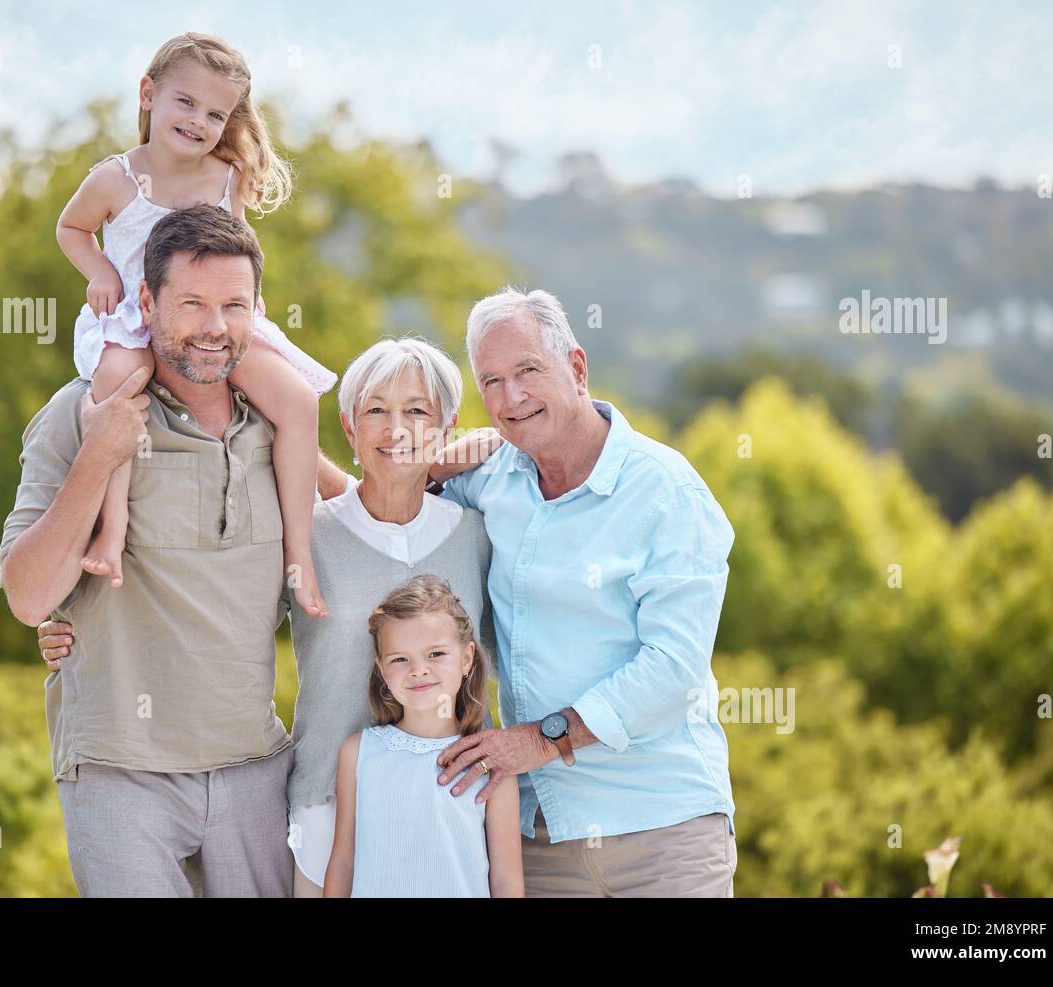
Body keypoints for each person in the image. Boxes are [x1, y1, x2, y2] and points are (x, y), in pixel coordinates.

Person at [37, 336, 505, 896]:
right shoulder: (308, 533)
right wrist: (81, 628)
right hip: (325, 805)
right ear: (349, 430)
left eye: (417, 411)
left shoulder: (477, 534)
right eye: (375, 410)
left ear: (447, 425)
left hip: (448, 800)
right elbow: (206, 599)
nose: (396, 427)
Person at [317, 286, 740, 897]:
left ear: (576, 368)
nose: (511, 397)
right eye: (491, 381)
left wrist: (539, 739)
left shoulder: (666, 491)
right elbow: (380, 512)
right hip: (536, 838)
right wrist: (429, 463)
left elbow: (673, 669)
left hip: (660, 829)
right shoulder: (488, 481)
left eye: (528, 371)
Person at [1, 204, 295, 896]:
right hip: (118, 770)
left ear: (259, 310)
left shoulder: (278, 428)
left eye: (233, 305)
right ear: (144, 301)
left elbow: (365, 511)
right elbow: (26, 594)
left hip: (255, 768)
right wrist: (99, 456)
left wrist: (454, 458)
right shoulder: (79, 413)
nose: (214, 327)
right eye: (190, 303)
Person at [57, 31, 333, 616]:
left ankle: (300, 554)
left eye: (216, 113)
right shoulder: (116, 178)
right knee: (114, 392)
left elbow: (241, 248)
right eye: (186, 102)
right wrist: (101, 271)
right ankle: (112, 529)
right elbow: (71, 229)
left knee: (297, 400)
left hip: (211, 322)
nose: (198, 121)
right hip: (135, 315)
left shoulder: (224, 176)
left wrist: (245, 307)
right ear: (149, 93)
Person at [324, 575, 523, 897]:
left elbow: (506, 880)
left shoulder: (490, 761)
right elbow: (344, 861)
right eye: (400, 659)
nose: (419, 670)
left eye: (435, 654)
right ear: (382, 669)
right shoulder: (358, 752)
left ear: (467, 658)